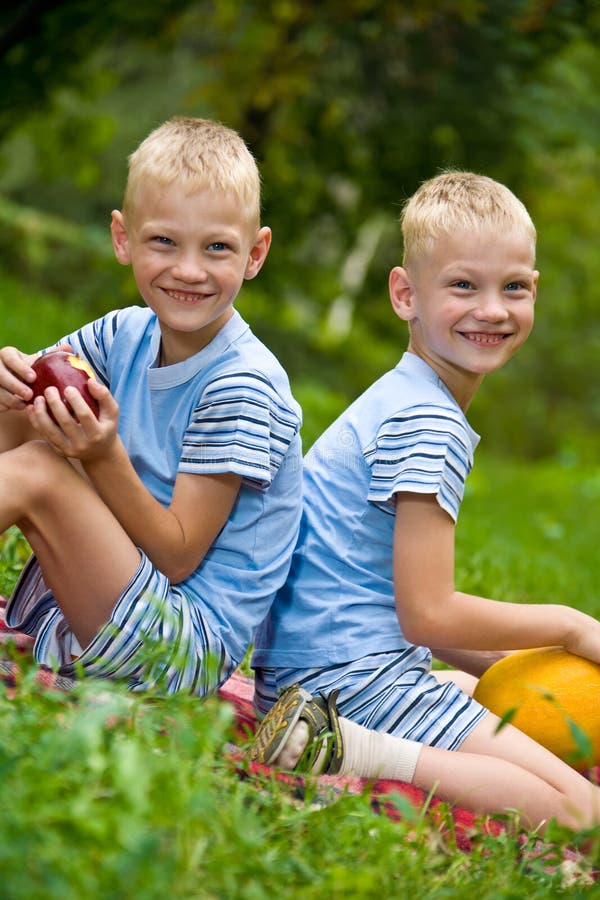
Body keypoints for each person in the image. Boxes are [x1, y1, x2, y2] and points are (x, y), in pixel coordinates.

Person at [249, 171, 600, 836]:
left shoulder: (405, 396)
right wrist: (570, 627)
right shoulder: (427, 425)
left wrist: (504, 665)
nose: (492, 309)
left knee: (495, 692)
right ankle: (346, 747)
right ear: (405, 294)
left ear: (534, 292)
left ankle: (339, 731)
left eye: (514, 287)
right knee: (584, 815)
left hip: (312, 664)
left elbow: (413, 616)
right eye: (464, 286)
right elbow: (429, 613)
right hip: (348, 682)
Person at [0, 116, 302, 695]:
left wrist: (100, 454)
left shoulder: (242, 383)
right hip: (114, 606)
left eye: (217, 248)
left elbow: (179, 554)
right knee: (28, 411)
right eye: (164, 241)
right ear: (123, 238)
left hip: (179, 649)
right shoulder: (124, 335)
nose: (188, 270)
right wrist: (8, 387)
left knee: (42, 470)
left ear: (256, 252)